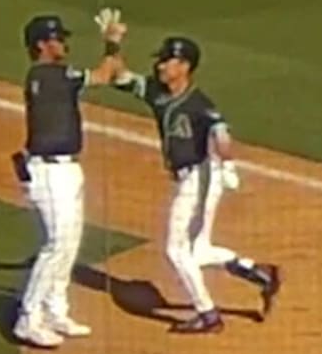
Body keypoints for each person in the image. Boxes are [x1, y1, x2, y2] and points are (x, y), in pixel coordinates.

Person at [112, 36, 280, 334]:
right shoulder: (156, 91)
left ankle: (208, 315)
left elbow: (221, 135)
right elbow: (120, 77)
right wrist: (112, 44)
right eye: (160, 60)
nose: (160, 66)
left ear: (185, 66)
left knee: (176, 251)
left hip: (200, 179)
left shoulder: (200, 104)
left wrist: (228, 164)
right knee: (198, 250)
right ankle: (258, 272)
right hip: (186, 179)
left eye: (167, 61)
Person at [13, 9, 126, 348]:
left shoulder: (45, 76)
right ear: (41, 45)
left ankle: (55, 310)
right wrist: (112, 43)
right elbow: (106, 74)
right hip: (49, 172)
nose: (64, 43)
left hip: (65, 170)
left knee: (70, 242)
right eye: (58, 39)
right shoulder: (51, 74)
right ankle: (28, 318)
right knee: (57, 244)